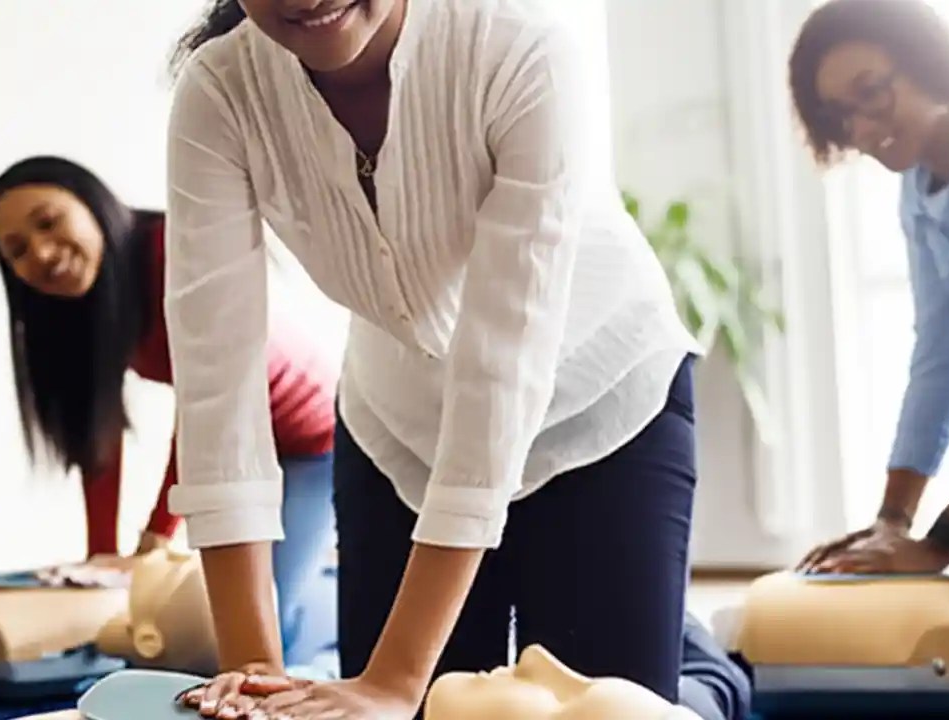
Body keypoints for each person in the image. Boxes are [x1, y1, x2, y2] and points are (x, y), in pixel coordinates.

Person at [159, 0, 733, 718]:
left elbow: (502, 367)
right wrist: (251, 670)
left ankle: (706, 677)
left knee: (606, 709)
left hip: (594, 396)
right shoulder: (219, 93)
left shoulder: (520, 50)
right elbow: (218, 381)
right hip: (396, 421)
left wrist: (399, 682)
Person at [0, 155, 339, 667]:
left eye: (48, 221)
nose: (41, 252)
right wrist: (101, 560)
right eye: (16, 250)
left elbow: (205, 410)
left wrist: (154, 540)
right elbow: (96, 436)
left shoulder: (174, 252)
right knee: (219, 618)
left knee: (260, 623)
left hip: (311, 440)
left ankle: (329, 642)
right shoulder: (77, 309)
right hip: (233, 443)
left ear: (92, 203)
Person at [789, 0, 949, 576]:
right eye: (839, 114)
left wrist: (940, 545)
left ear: (925, 63)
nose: (861, 127)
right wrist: (892, 523)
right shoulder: (919, 194)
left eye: (871, 91)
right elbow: (939, 360)